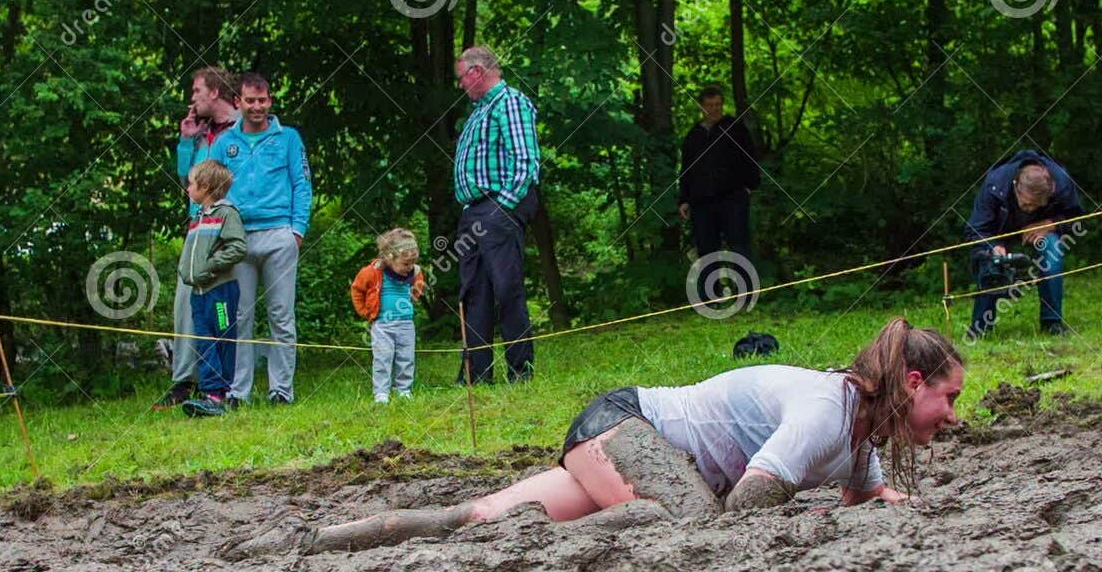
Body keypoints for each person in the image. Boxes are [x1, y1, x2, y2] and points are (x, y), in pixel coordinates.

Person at [309, 318, 964, 553]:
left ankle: (311, 542)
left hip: (634, 447)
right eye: (950, 398)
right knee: (693, 525)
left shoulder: (859, 433)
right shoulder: (828, 412)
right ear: (912, 381)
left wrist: (897, 506)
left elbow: (864, 497)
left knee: (477, 516)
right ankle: (539, 542)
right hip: (626, 428)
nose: (955, 416)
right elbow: (744, 510)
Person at [213, 72, 312, 405]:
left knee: (281, 315)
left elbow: (302, 184)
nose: (257, 107)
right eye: (250, 101)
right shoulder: (224, 142)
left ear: (270, 101)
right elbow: (212, 188)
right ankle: (238, 392)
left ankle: (281, 390)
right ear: (238, 102)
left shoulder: (289, 138)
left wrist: (296, 230)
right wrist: (217, 230)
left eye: (262, 100)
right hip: (238, 238)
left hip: (279, 234)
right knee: (239, 316)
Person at [453, 45, 541, 385]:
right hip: (474, 210)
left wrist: (502, 207)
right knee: (473, 292)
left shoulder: (510, 102)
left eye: (462, 77)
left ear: (477, 72)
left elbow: (525, 161)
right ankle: (477, 374)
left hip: (498, 206)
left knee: (506, 288)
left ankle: (520, 371)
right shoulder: (478, 111)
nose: (460, 85)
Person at [158, 68, 240, 410]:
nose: (192, 98)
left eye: (196, 91)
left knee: (226, 314)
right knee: (186, 307)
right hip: (197, 228)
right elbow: (186, 181)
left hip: (227, 229)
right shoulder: (200, 136)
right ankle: (184, 381)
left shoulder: (241, 130)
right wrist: (186, 141)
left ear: (215, 93)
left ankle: (225, 386)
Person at [963, 150, 1083, 339]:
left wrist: (1051, 224)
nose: (1031, 209)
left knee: (1053, 251)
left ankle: (1052, 323)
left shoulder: (1062, 183)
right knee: (991, 263)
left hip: (1043, 233)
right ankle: (980, 328)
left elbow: (1078, 220)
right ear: (1016, 185)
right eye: (1027, 205)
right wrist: (993, 246)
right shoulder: (994, 184)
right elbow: (975, 229)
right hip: (998, 235)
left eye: (1037, 206)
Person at [176, 160, 248, 418]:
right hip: (198, 294)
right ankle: (210, 392)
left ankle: (219, 394)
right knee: (203, 341)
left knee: (222, 338)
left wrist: (211, 267)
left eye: (192, 184)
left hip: (220, 291)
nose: (188, 189)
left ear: (205, 187)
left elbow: (238, 247)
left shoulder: (226, 214)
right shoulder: (197, 217)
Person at [677, 86, 760, 265]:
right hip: (702, 202)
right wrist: (684, 199)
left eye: (718, 105)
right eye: (709, 105)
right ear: (701, 107)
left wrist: (749, 186)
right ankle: (710, 293)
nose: (714, 109)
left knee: (739, 247)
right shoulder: (693, 136)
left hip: (732, 198)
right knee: (706, 251)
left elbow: (750, 158)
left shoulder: (735, 129)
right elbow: (686, 170)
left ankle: (746, 292)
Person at [350, 228, 426, 404]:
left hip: (406, 323)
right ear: (390, 258)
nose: (409, 267)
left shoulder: (413, 271)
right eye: (405, 263)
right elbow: (357, 289)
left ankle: (403, 389)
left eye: (412, 263)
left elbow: (419, 283)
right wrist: (365, 311)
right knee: (383, 358)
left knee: (406, 357)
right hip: (382, 324)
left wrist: (413, 298)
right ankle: (381, 392)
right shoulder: (372, 272)